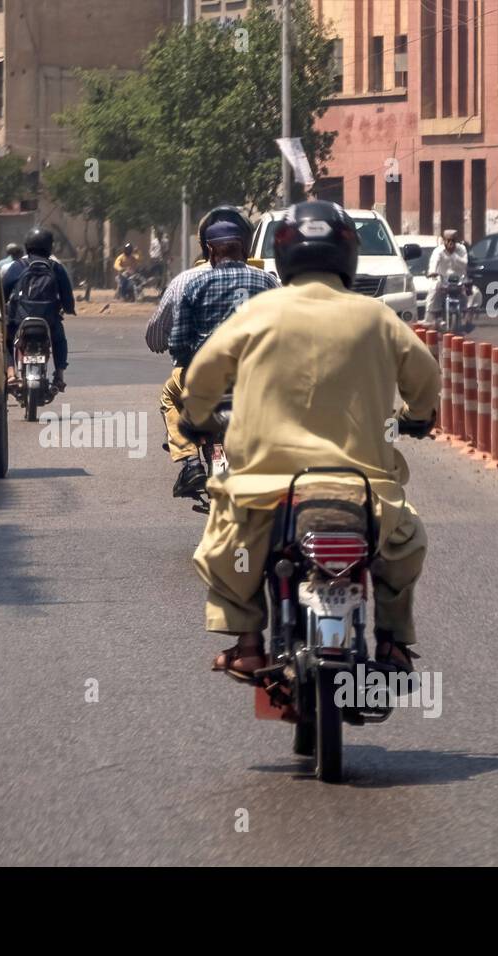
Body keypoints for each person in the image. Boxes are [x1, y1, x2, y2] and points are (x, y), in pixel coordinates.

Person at [179, 200, 440, 681]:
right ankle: (393, 644)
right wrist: (418, 417)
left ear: (283, 255)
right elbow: (425, 377)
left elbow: (201, 377)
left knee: (225, 549)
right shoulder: (378, 317)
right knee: (403, 549)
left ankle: (250, 644)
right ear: (348, 255)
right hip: (364, 489)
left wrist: (196, 419)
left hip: (264, 490)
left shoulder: (257, 313)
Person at [147, 207, 263, 493]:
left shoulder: (193, 283)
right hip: (254, 377)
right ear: (245, 247)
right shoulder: (268, 281)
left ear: (209, 250)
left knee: (168, 395)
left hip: (204, 379)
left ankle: (189, 462)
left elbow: (178, 341)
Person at [3, 227, 76, 392]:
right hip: (49, 320)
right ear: (50, 246)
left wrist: (3, 308)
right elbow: (67, 296)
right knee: (59, 340)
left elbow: (3, 292)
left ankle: (11, 374)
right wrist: (69, 309)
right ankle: (59, 375)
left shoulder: (17, 266)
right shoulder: (56, 268)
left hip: (20, 320)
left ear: (27, 245)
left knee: (5, 341)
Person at [425, 228, 468, 327]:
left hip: (458, 279)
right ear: (444, 240)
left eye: (453, 240)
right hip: (443, 280)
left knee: (471, 292)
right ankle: (432, 316)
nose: (450, 243)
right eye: (448, 240)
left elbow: (464, 264)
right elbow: (434, 262)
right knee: (433, 288)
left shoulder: (461, 249)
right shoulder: (438, 251)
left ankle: (466, 315)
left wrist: (454, 255)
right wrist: (432, 271)